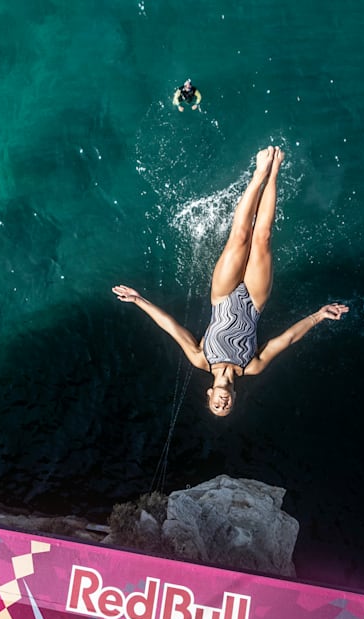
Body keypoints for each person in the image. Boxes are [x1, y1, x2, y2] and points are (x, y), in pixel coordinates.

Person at [113, 147, 348, 417]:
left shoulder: (200, 358)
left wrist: (139, 300)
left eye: (216, 405)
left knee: (239, 236)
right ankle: (274, 174)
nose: (222, 404)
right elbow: (286, 340)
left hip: (222, 296)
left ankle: (259, 174)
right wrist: (319, 316)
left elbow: (171, 327)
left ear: (209, 395)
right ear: (234, 397)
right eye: (227, 407)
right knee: (263, 237)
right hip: (255, 301)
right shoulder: (252, 366)